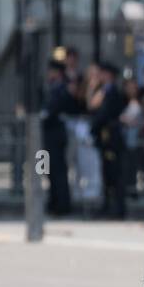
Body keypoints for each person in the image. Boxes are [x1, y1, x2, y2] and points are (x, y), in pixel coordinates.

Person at [41, 61, 81, 215]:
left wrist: (45, 115)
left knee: (58, 170)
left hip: (56, 133)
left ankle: (61, 205)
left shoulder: (62, 89)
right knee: (50, 170)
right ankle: (55, 202)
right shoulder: (53, 88)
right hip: (51, 133)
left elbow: (54, 109)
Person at [88, 61, 128, 219]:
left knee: (114, 174)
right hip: (106, 138)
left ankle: (116, 208)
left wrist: (93, 128)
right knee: (107, 174)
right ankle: (109, 206)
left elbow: (103, 115)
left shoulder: (112, 92)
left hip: (112, 139)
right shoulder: (105, 91)